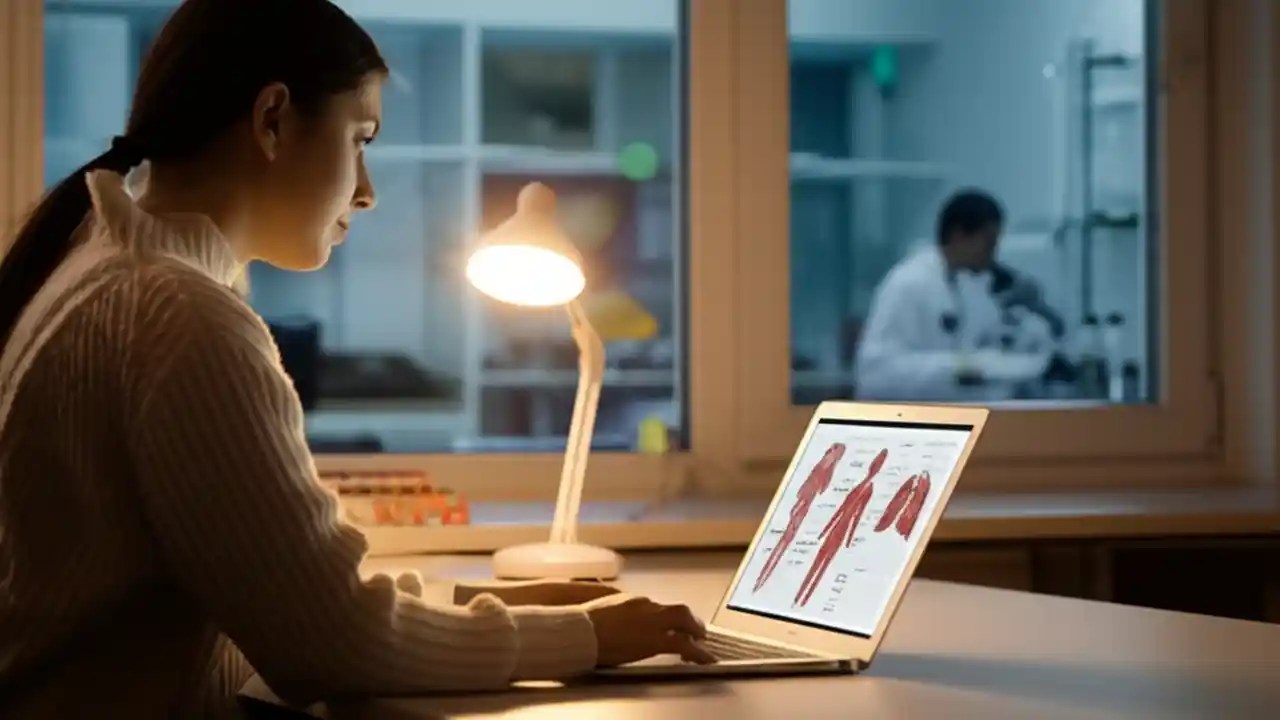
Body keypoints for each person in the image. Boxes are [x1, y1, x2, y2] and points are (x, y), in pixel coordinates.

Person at [0, 1, 711, 715]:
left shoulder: (97, 263)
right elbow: (330, 645)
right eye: (359, 139)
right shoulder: (178, 319)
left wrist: (473, 604)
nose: (366, 192)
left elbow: (277, 596)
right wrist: (582, 636)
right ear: (272, 119)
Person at [854, 189, 1064, 401]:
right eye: (989, 243)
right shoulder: (909, 283)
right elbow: (876, 376)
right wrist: (961, 367)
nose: (993, 254)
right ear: (958, 236)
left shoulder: (964, 286)